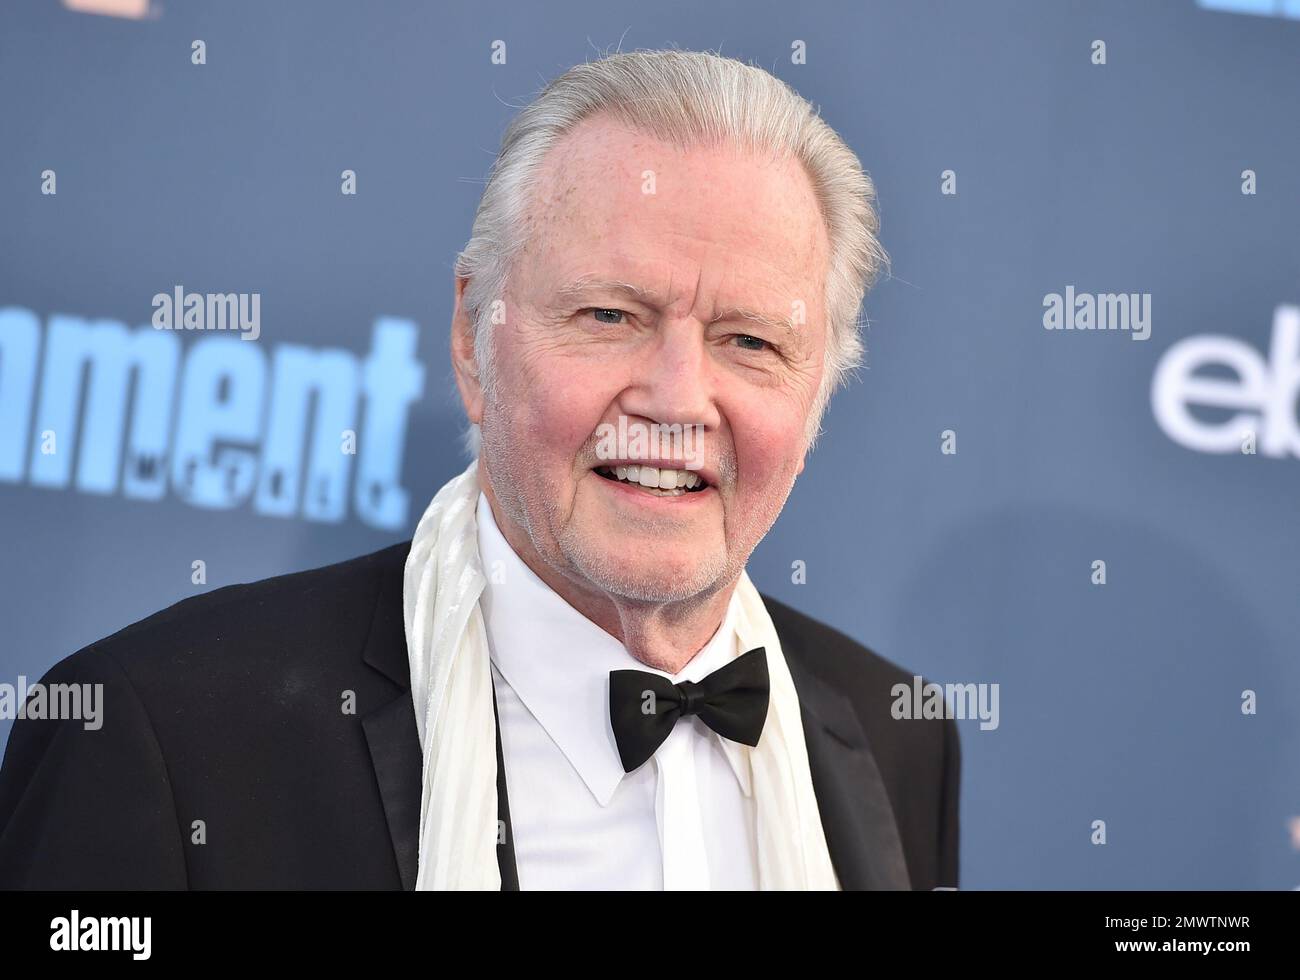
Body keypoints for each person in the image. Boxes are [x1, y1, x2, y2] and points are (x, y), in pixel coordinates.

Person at [0, 48, 959, 890]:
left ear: (820, 391)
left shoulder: (895, 735)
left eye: (749, 340)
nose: (676, 399)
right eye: (609, 316)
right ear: (473, 338)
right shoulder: (160, 733)